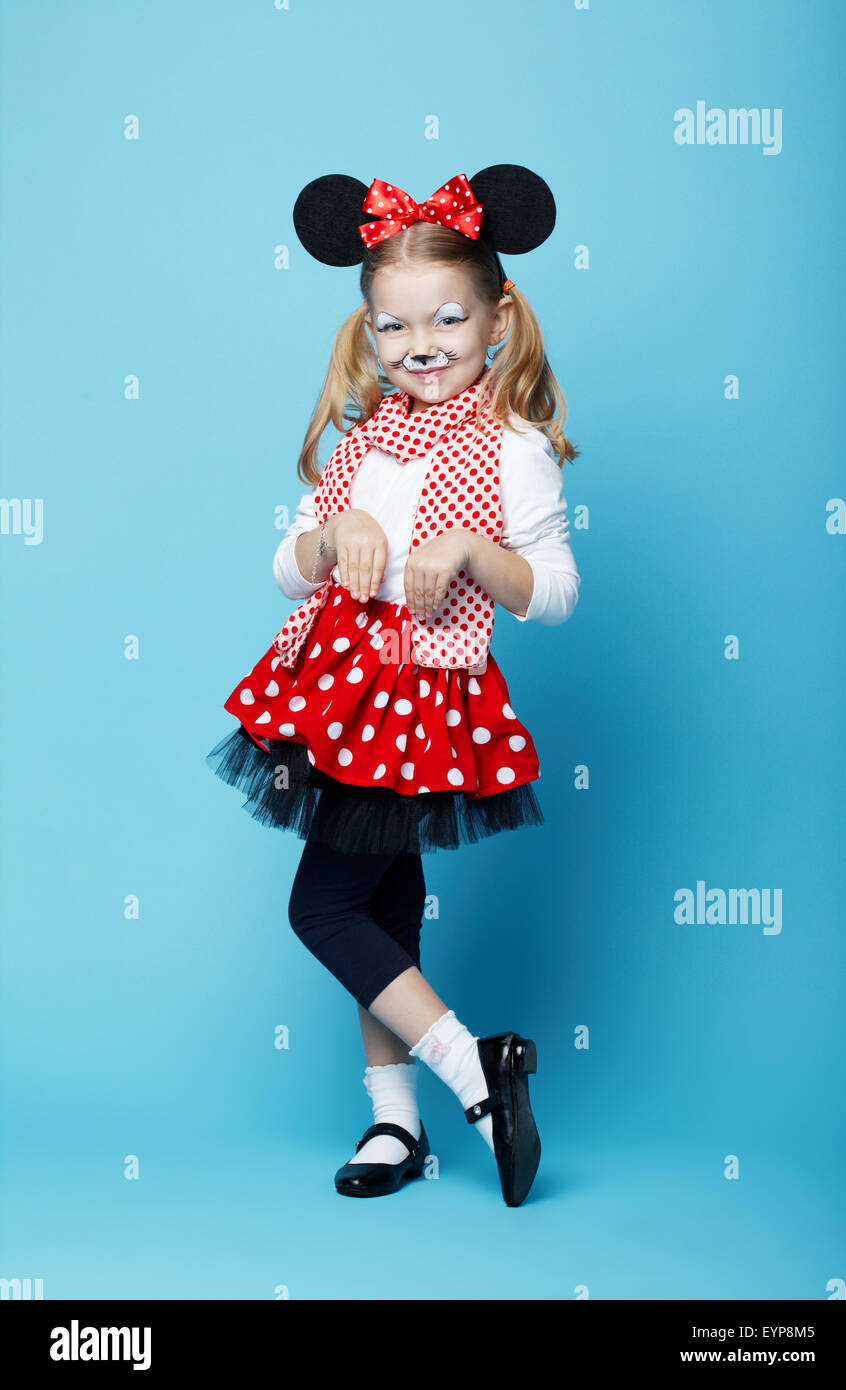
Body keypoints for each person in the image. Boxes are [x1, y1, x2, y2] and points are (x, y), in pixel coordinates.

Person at [206, 166, 581, 1206]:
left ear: (498, 317)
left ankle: (475, 1072)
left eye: (448, 319)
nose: (420, 345)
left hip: (424, 700)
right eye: (392, 327)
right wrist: (333, 535)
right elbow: (287, 565)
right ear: (366, 330)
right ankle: (394, 1123)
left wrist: (470, 550)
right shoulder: (363, 437)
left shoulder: (512, 451)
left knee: (323, 909)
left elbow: (553, 592)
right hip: (335, 691)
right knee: (383, 903)